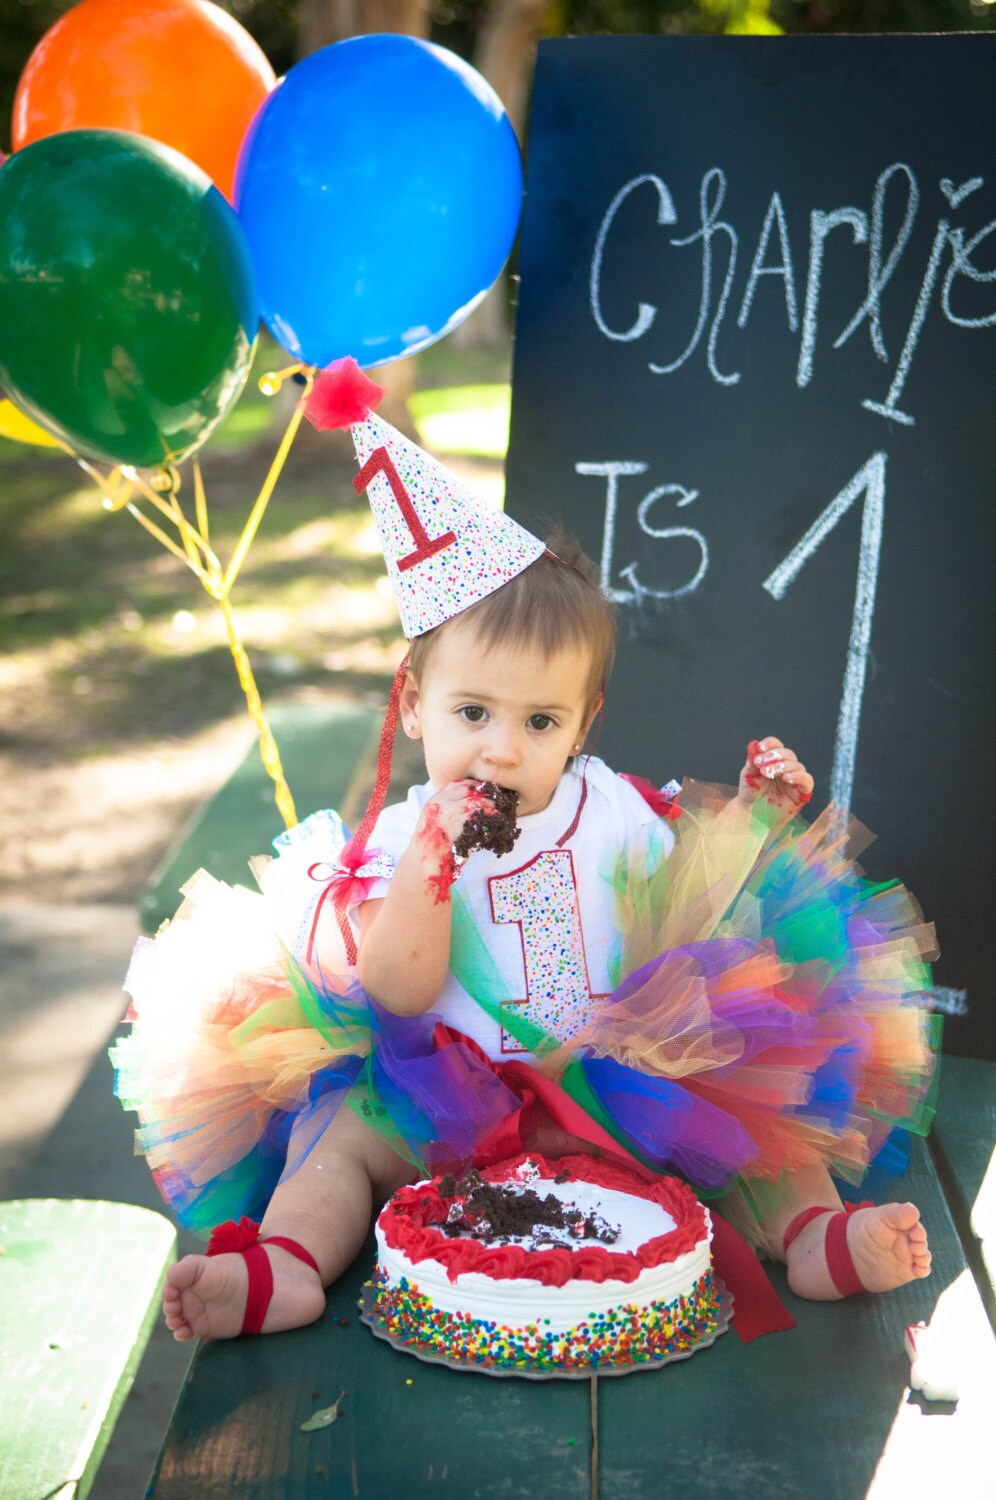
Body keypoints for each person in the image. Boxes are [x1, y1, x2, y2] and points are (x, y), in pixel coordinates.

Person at [113, 361, 937, 1343]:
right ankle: (287, 1263)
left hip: (610, 1089)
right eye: (472, 712)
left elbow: (700, 911)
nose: (502, 749)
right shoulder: (399, 839)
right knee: (335, 1138)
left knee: (747, 1096)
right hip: (444, 1110)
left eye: (540, 720)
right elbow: (399, 990)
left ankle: (813, 1234)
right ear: (413, 705)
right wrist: (431, 868)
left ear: (584, 722)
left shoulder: (613, 807)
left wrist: (757, 818)